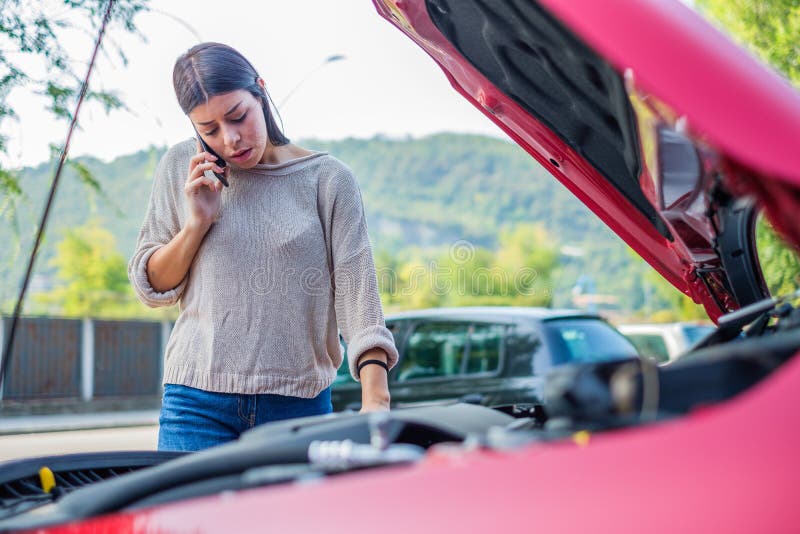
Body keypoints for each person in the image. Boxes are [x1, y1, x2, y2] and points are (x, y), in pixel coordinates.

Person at [128, 42, 398, 452]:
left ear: (261, 91)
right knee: (188, 520)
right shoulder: (180, 168)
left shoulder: (328, 179)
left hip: (298, 406)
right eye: (209, 129)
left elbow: (358, 297)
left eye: (238, 116)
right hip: (196, 405)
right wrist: (197, 224)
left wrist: (375, 400)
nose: (230, 139)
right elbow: (153, 287)